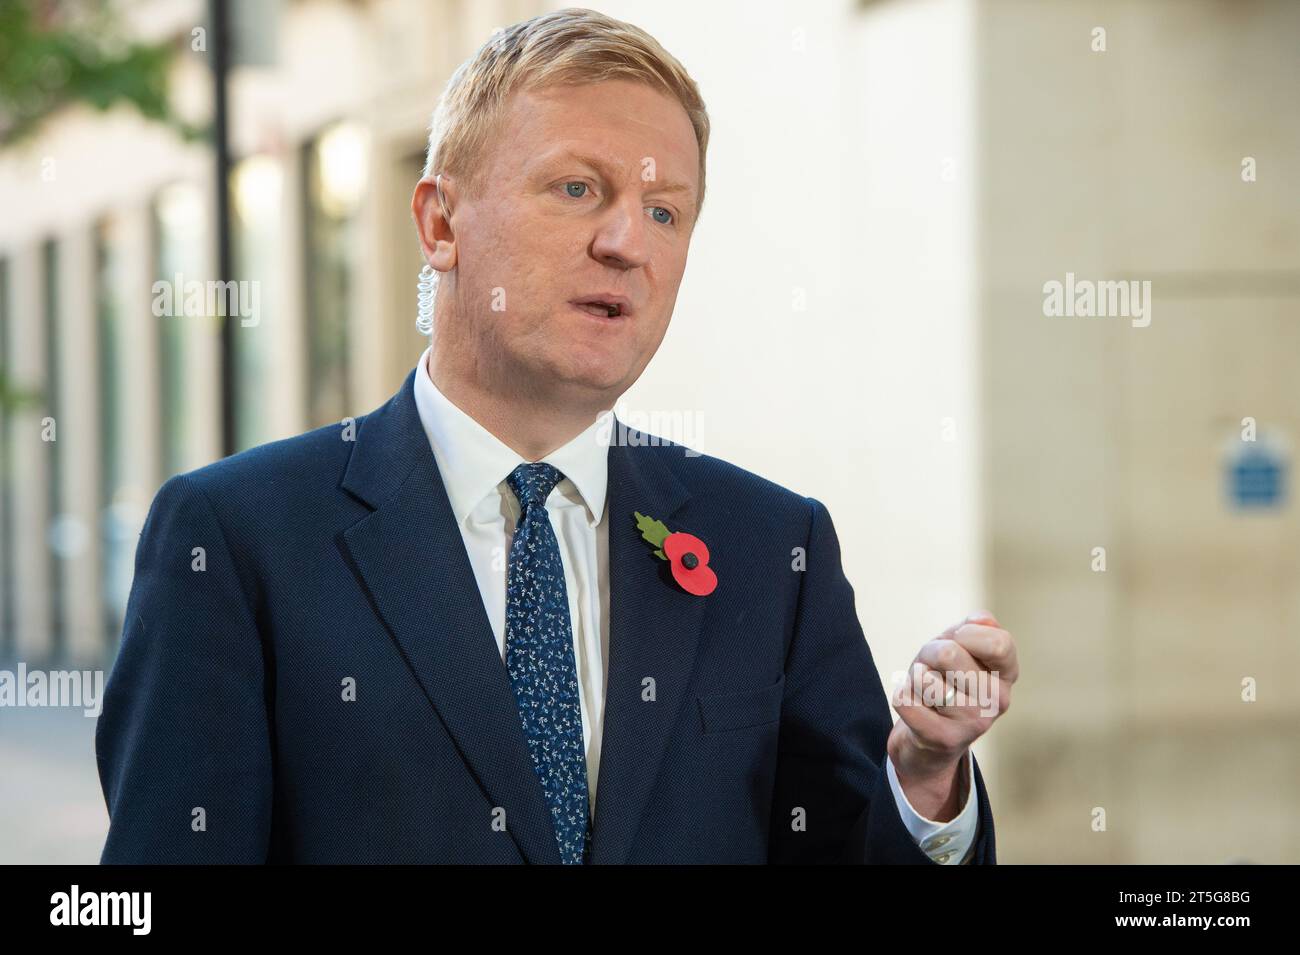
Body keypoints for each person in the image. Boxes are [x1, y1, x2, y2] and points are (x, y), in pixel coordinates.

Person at [96, 7, 1017, 864]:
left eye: (666, 211)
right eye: (579, 188)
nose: (628, 241)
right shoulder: (236, 538)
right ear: (440, 222)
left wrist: (924, 777)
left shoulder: (772, 544)